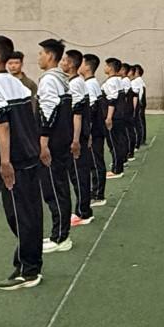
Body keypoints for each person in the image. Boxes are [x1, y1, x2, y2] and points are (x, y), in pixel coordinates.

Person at [0, 36, 43, 291]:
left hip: (15, 160)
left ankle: (29, 270)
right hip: (28, 156)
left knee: (19, 216)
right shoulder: (16, 84)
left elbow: (3, 126)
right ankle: (27, 264)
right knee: (29, 213)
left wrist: (5, 162)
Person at [36, 39, 74, 253]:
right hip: (62, 139)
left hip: (53, 142)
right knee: (59, 186)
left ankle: (60, 237)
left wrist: (43, 141)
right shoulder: (61, 79)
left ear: (50, 56)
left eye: (41, 53)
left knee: (54, 188)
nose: (39, 57)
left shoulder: (50, 79)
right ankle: (60, 232)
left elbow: (48, 110)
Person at [66, 48, 95, 228]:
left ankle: (83, 211)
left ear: (70, 64)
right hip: (82, 134)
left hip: (77, 137)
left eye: (64, 60)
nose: (62, 63)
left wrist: (76, 139)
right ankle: (83, 209)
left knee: (78, 174)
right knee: (80, 174)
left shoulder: (75, 83)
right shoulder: (79, 82)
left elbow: (77, 114)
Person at [81, 53, 108, 208]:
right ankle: (96, 191)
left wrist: (88, 132)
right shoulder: (91, 83)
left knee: (95, 162)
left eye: (81, 63)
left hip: (94, 131)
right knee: (95, 161)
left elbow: (91, 110)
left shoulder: (90, 84)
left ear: (87, 67)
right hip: (96, 130)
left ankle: (98, 194)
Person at [103, 58, 127, 178]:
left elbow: (112, 100)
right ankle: (119, 164)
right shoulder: (119, 80)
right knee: (119, 141)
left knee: (113, 142)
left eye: (106, 65)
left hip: (114, 116)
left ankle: (117, 170)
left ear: (110, 68)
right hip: (120, 115)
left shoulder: (111, 82)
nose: (105, 68)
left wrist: (109, 117)